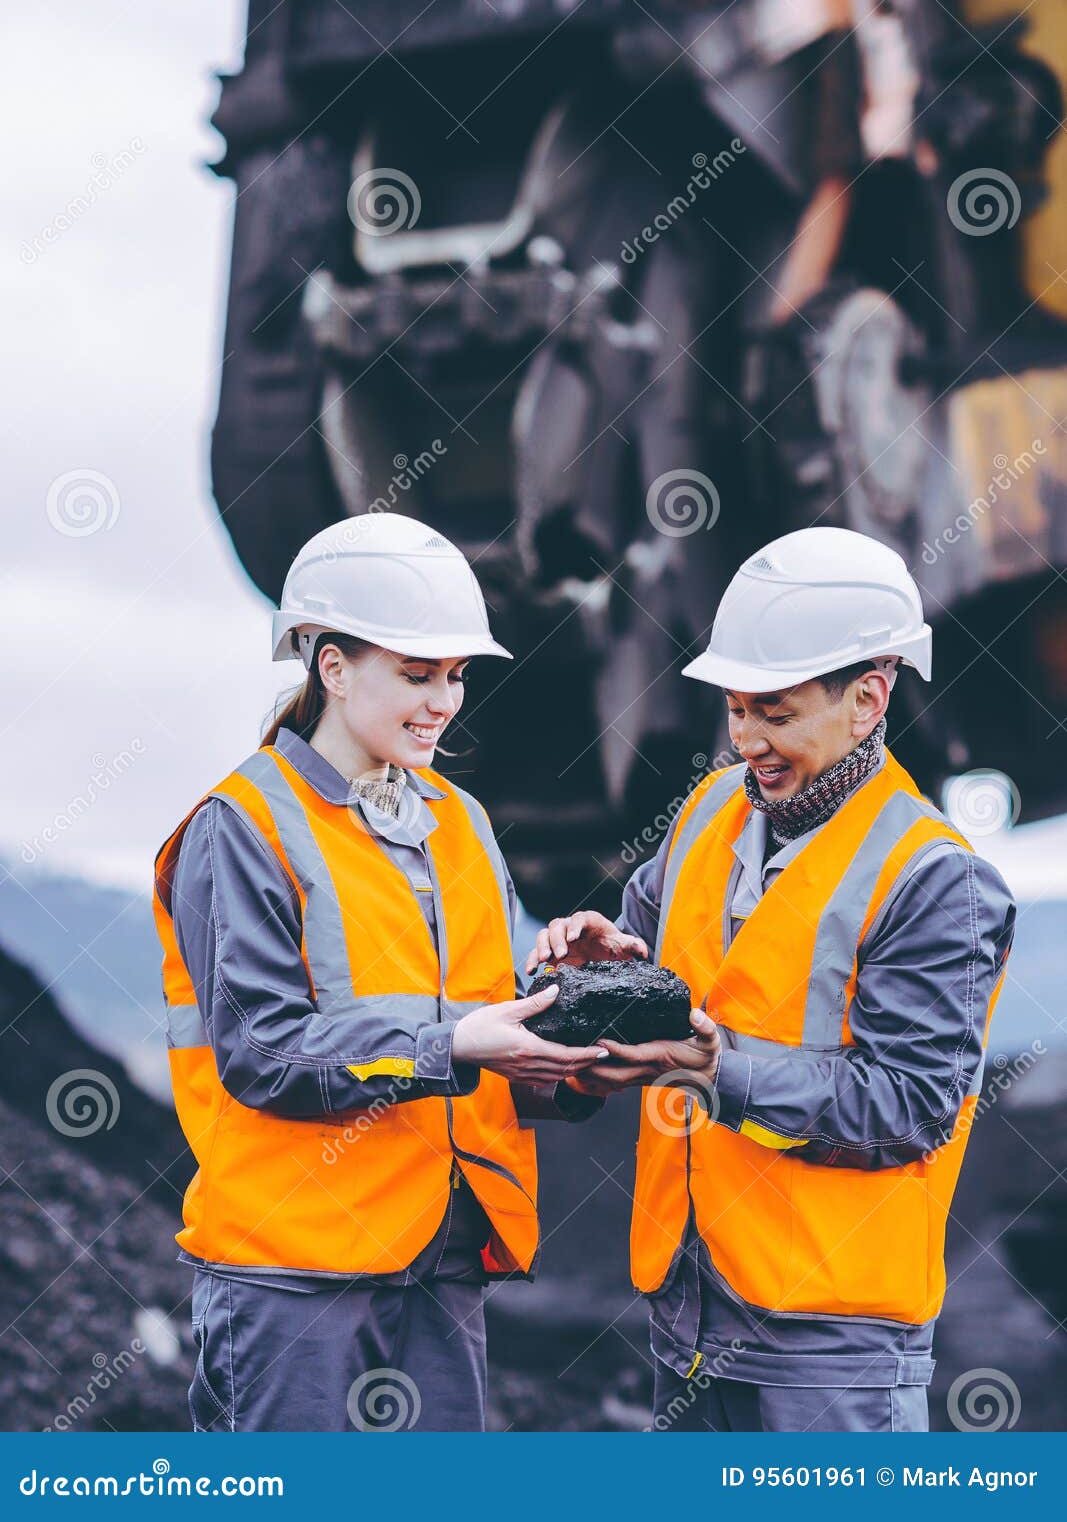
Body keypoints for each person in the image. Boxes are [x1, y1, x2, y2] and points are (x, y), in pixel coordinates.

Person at [529, 527, 1016, 1434]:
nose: (747, 739)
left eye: (775, 713)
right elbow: (664, 981)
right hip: (688, 1315)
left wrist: (720, 1071)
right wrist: (605, 976)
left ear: (867, 699)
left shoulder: (933, 878)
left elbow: (911, 1106)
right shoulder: (711, 810)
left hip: (831, 1347)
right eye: (735, 709)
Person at [153, 513, 611, 1433]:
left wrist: (580, 1042)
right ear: (331, 667)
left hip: (442, 1258)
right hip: (295, 1273)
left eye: (456, 675)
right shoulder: (241, 826)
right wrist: (453, 1043)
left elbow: (479, 1037)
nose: (443, 701)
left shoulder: (459, 821)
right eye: (415, 674)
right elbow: (263, 1054)